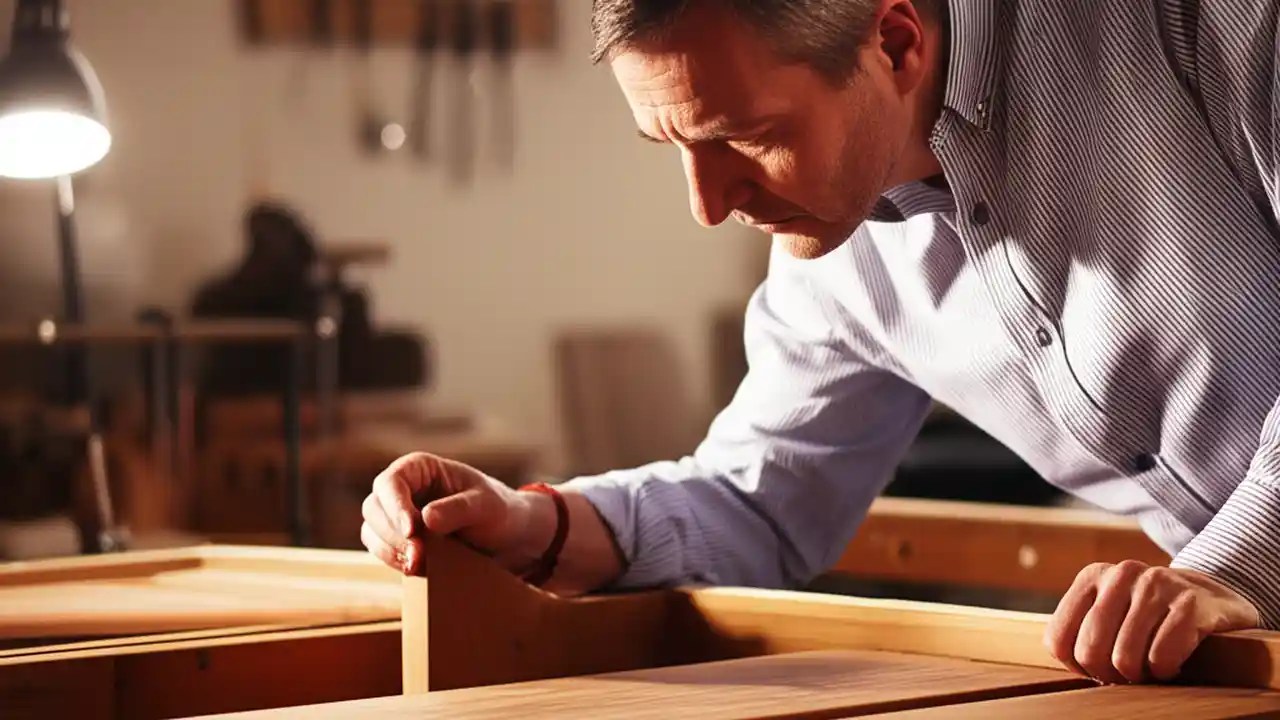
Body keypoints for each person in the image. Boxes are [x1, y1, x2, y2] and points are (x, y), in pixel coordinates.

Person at [361, 0, 1280, 686]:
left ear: (896, 42)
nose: (708, 205)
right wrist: (535, 526)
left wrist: (1233, 562)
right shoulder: (833, 252)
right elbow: (761, 502)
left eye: (748, 138)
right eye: (668, 145)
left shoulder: (1209, 23)